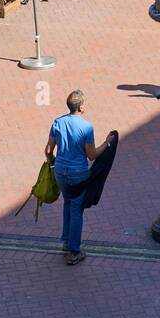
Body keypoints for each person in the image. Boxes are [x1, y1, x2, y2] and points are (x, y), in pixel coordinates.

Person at [46, 90, 113, 266]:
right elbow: (92, 155)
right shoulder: (86, 127)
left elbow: (47, 151)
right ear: (82, 106)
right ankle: (73, 252)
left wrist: (53, 162)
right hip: (78, 175)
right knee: (76, 209)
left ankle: (67, 241)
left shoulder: (58, 122)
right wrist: (107, 143)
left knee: (68, 202)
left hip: (60, 171)